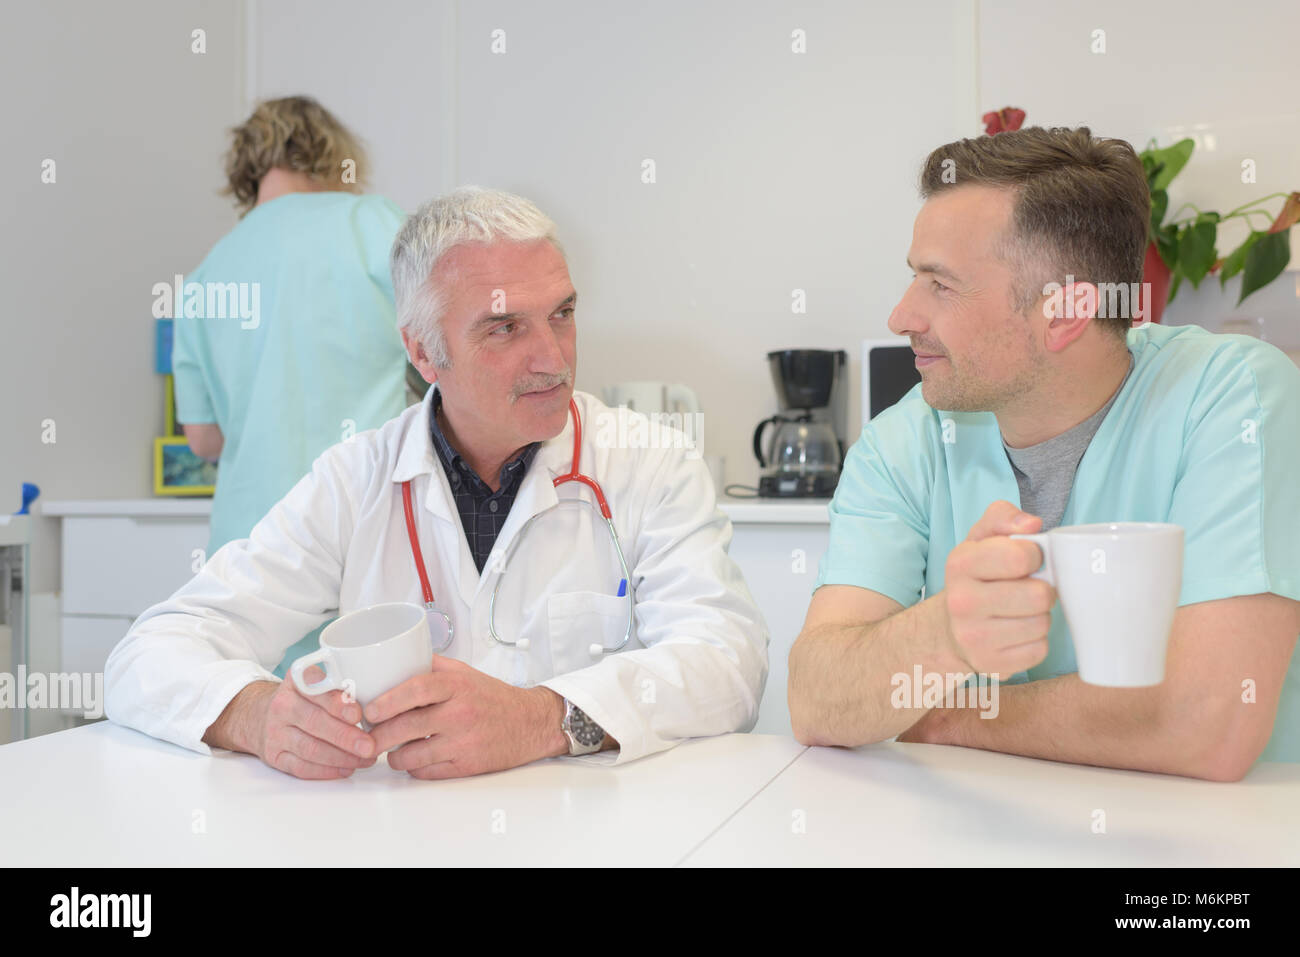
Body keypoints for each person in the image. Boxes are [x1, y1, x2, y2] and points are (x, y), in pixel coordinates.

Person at [106, 187, 768, 780]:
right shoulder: (354, 480)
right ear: (422, 352)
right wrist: (254, 716)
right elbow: (146, 655)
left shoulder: (651, 463)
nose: (553, 356)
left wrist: (544, 719)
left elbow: (730, 664)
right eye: (505, 327)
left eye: (562, 313)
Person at [788, 126, 1299, 780]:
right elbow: (816, 699)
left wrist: (935, 712)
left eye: (939, 285)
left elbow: (1207, 722)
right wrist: (945, 635)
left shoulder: (1235, 399)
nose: (901, 314)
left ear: (1063, 313)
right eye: (913, 277)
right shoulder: (906, 439)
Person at [172, 95, 409, 674]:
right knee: (386, 719)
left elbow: (202, 440)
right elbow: (452, 352)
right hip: (369, 525)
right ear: (333, 156)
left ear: (247, 170)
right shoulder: (375, 224)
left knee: (266, 734)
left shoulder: (206, 272)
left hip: (250, 547)